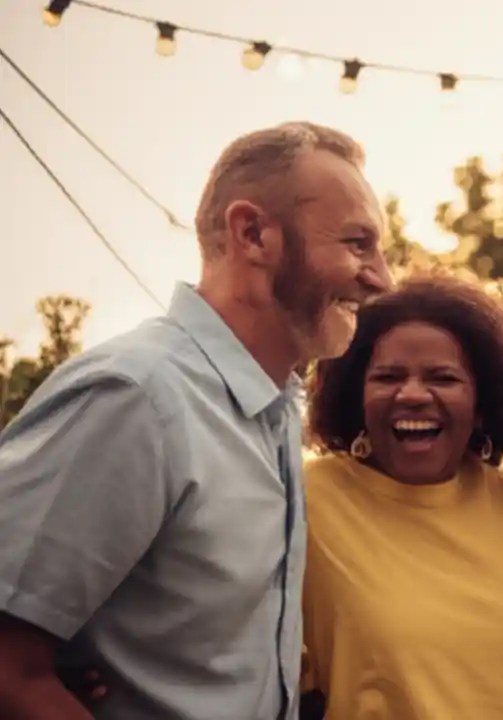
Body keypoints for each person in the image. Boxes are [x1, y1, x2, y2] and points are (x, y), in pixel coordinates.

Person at [0, 121, 391, 719]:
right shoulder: (137, 397)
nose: (381, 277)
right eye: (358, 243)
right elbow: (10, 670)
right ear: (253, 233)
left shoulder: (274, 410)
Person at [300, 273, 503, 719]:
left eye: (442, 378)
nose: (411, 394)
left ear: (481, 400)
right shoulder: (309, 500)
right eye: (388, 376)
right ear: (356, 394)